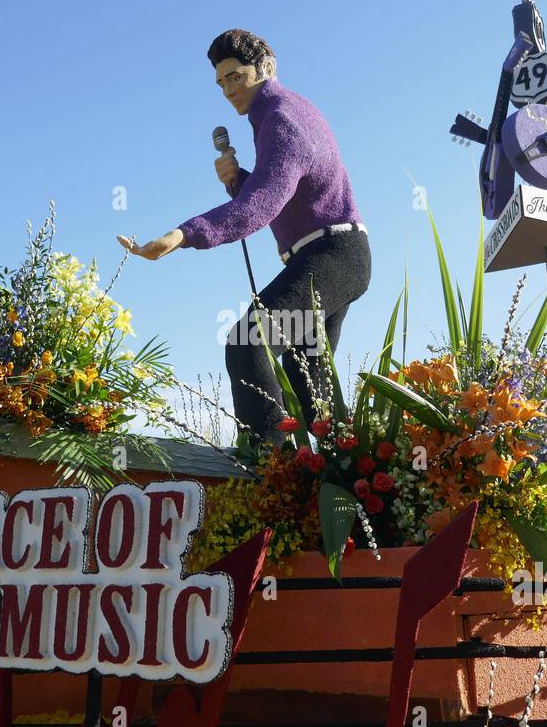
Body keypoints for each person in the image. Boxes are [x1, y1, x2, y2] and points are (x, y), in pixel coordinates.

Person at [122, 29, 371, 449]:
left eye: (235, 77)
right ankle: (342, 481)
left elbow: (260, 207)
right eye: (221, 83)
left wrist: (184, 234)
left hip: (332, 255)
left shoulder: (283, 120)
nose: (228, 90)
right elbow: (280, 194)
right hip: (328, 256)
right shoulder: (279, 117)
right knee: (313, 392)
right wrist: (239, 180)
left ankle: (271, 471)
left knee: (247, 339)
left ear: (267, 68)